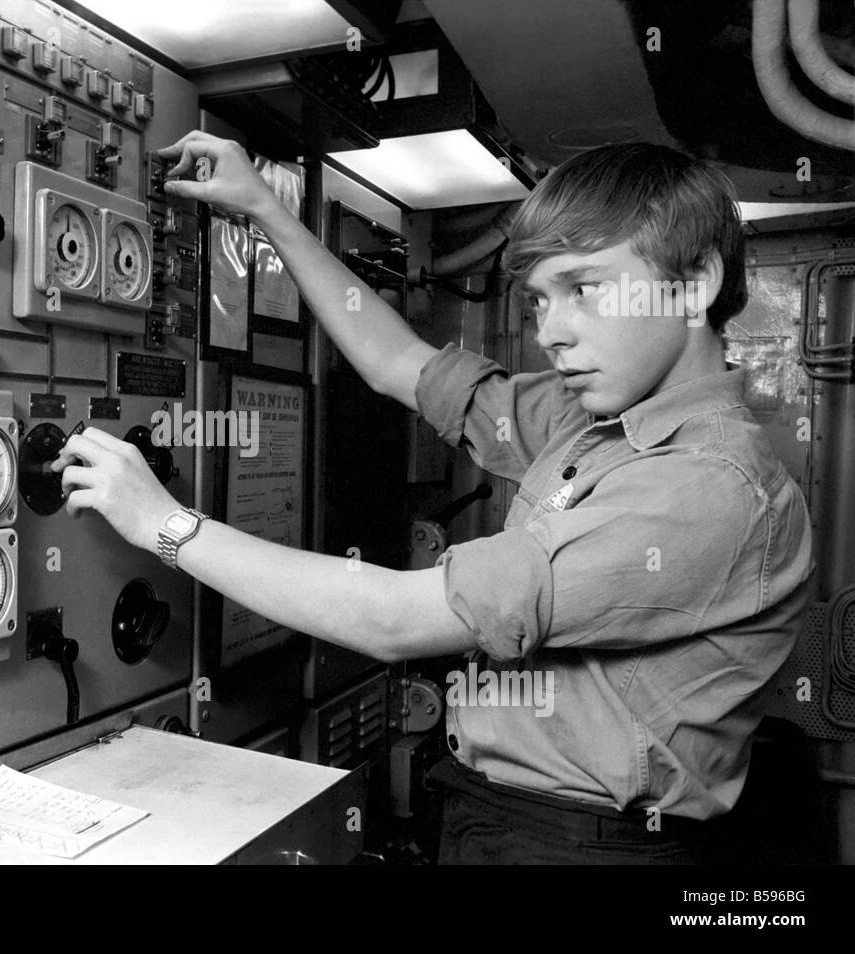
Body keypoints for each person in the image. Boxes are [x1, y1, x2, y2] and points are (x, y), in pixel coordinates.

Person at [50, 133, 815, 864]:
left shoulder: (705, 486)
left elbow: (393, 619)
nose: (552, 331)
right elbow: (400, 365)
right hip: (500, 814)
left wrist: (164, 524)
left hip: (583, 844)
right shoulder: (592, 420)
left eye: (583, 288)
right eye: (538, 301)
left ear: (695, 284)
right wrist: (267, 209)